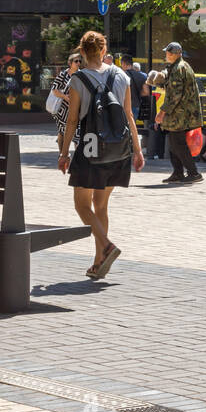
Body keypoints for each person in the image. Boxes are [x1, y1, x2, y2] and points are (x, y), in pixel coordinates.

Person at [59, 31, 143, 279]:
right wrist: (137, 150)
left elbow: (72, 120)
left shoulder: (78, 80)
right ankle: (99, 262)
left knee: (82, 205)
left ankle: (106, 247)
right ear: (104, 52)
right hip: (118, 151)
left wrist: (64, 153)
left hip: (90, 149)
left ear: (83, 53)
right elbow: (129, 116)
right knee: (101, 205)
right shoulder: (122, 76)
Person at [151, 41, 202, 183]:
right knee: (174, 144)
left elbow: (175, 95)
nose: (167, 55)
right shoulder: (180, 66)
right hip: (181, 113)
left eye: (169, 53)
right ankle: (178, 173)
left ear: (176, 54)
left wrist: (162, 112)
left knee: (178, 144)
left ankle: (194, 173)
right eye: (168, 52)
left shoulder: (178, 68)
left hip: (180, 114)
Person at [49, 51, 83, 152]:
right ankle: (63, 153)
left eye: (79, 61)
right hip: (63, 110)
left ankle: (77, 156)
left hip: (77, 108)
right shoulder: (63, 75)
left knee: (78, 132)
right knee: (62, 132)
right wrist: (65, 97)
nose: (78, 63)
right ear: (70, 63)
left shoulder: (81, 75)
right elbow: (54, 90)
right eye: (76, 61)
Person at [120, 54, 149, 126]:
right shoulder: (142, 76)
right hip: (136, 105)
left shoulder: (121, 75)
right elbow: (146, 92)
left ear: (123, 63)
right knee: (131, 126)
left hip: (123, 105)